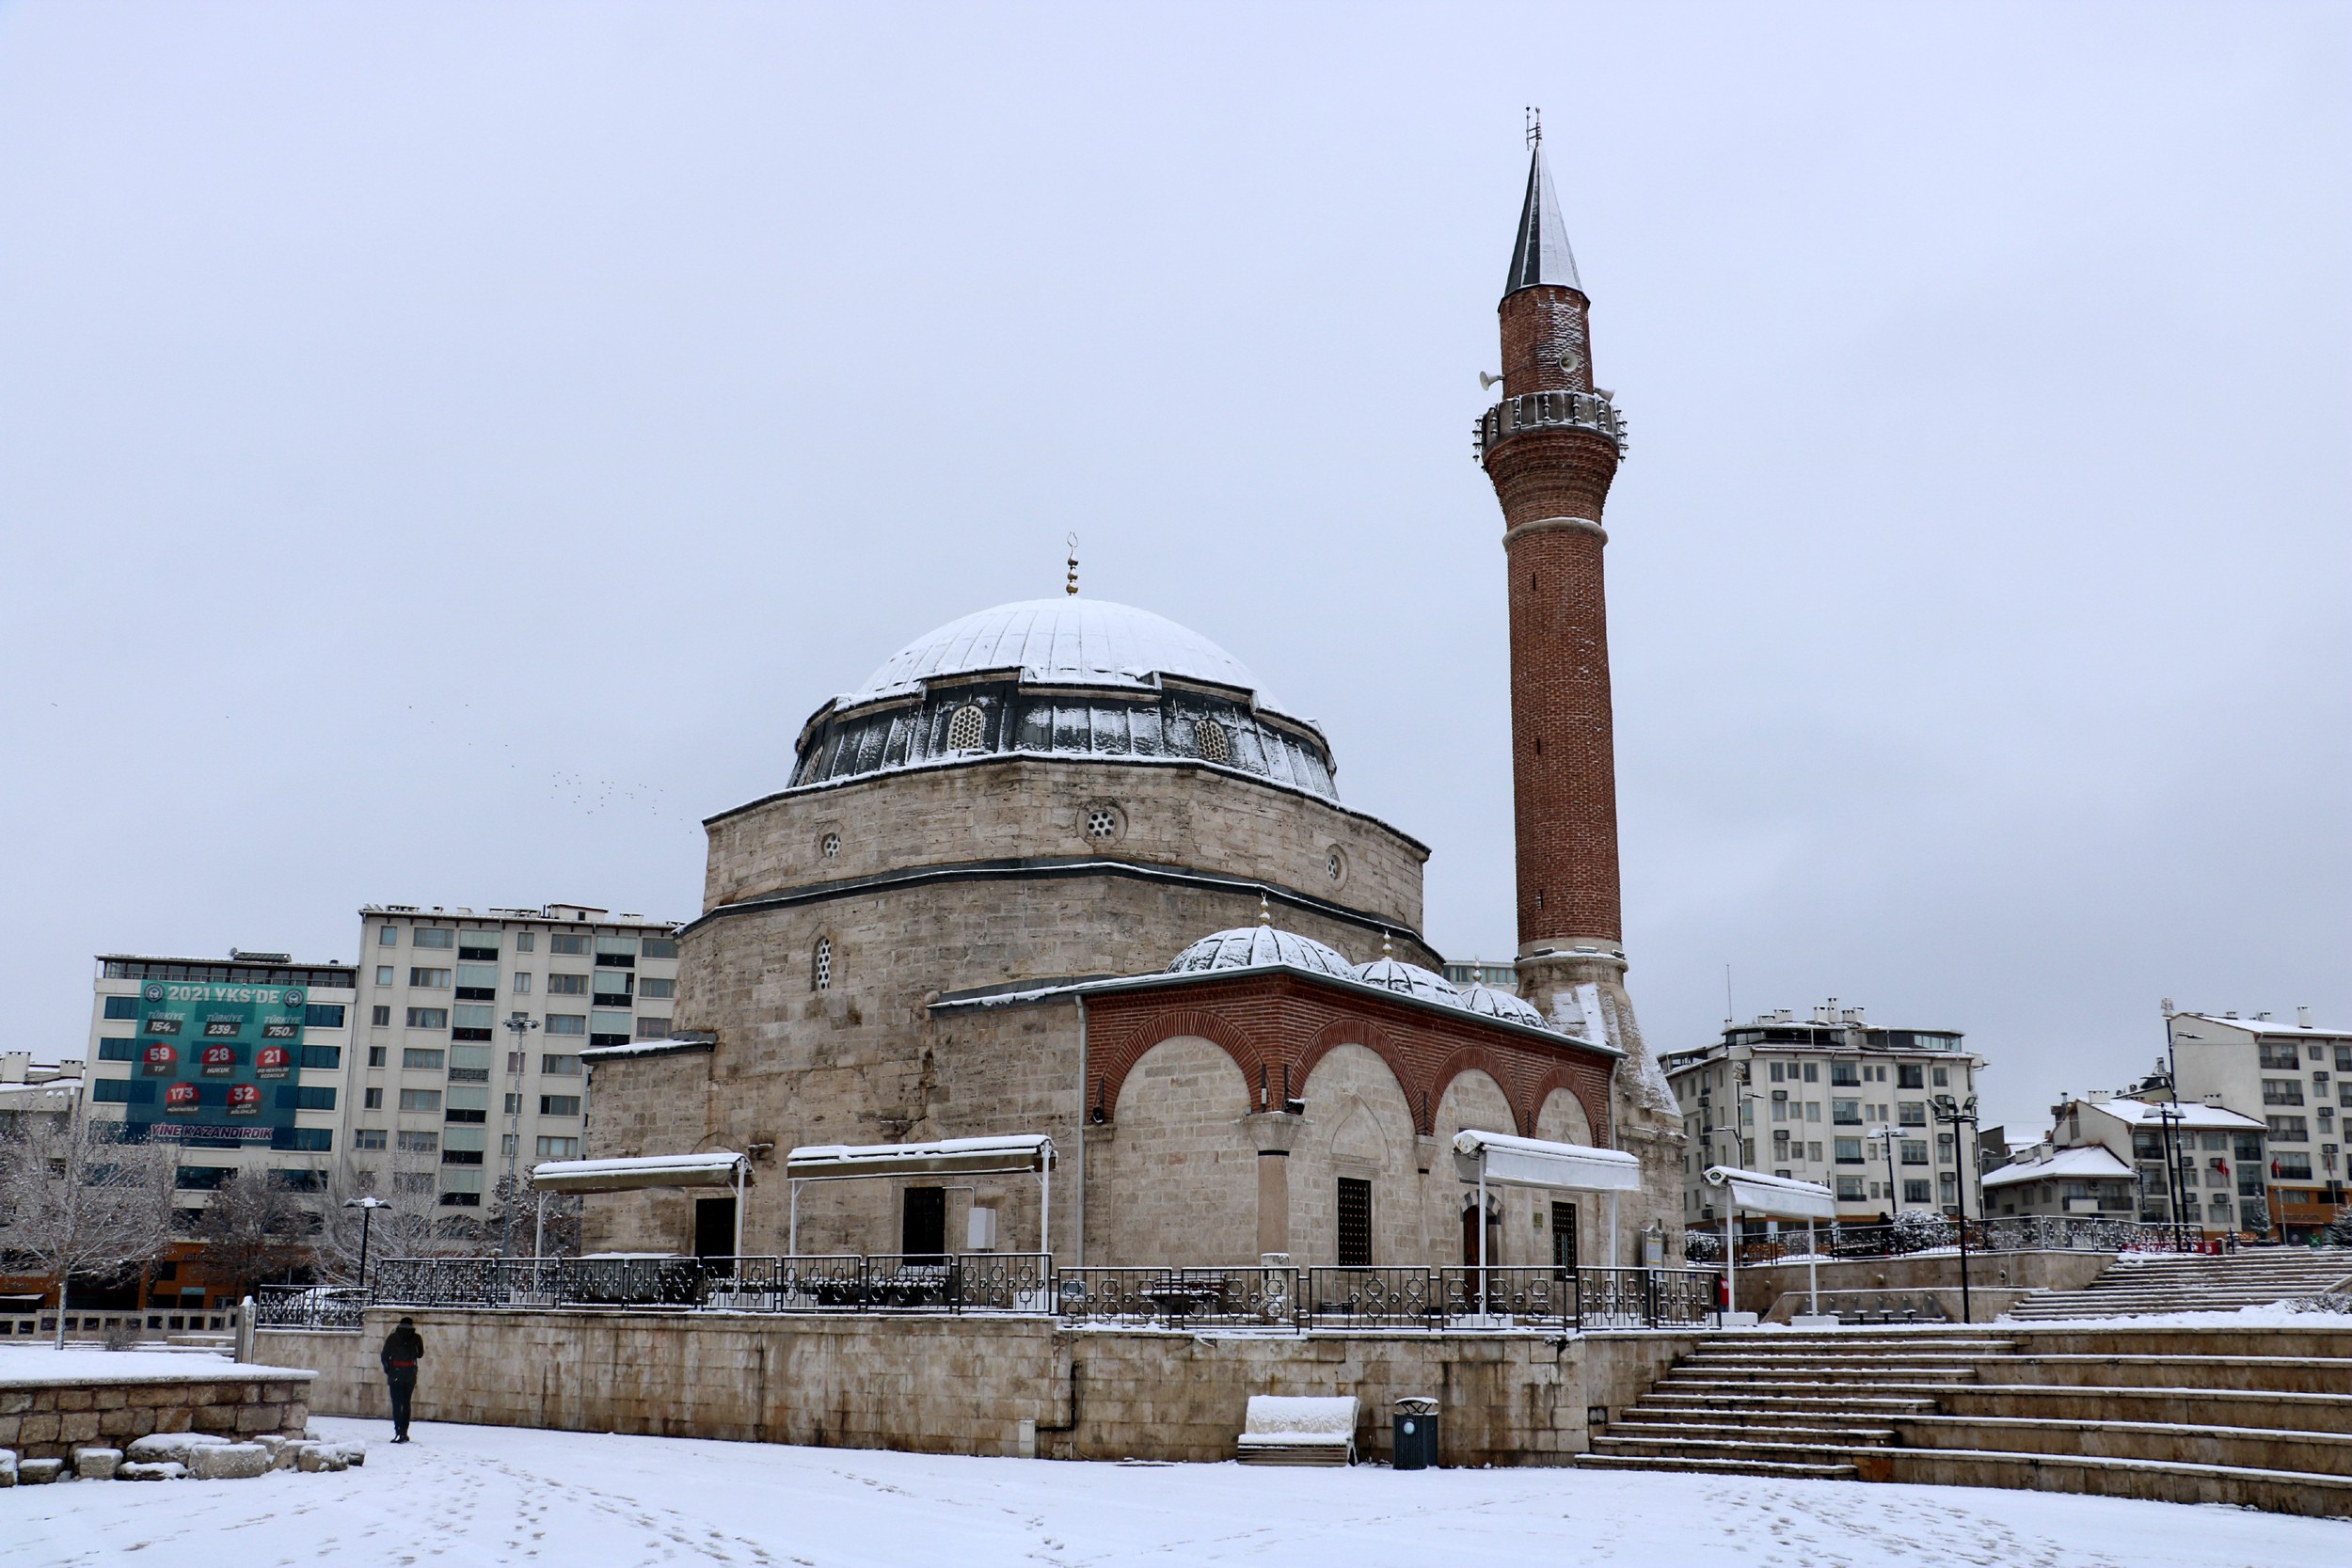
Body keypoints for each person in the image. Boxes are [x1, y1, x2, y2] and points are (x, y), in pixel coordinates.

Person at [379, 1316, 423, 1442]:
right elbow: (420, 1354)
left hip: (395, 1374)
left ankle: (398, 1431)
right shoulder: (416, 1337)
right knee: (406, 1403)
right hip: (409, 1373)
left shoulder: (393, 1337)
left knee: (396, 1404)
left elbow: (384, 1355)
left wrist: (389, 1370)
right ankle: (405, 1431)